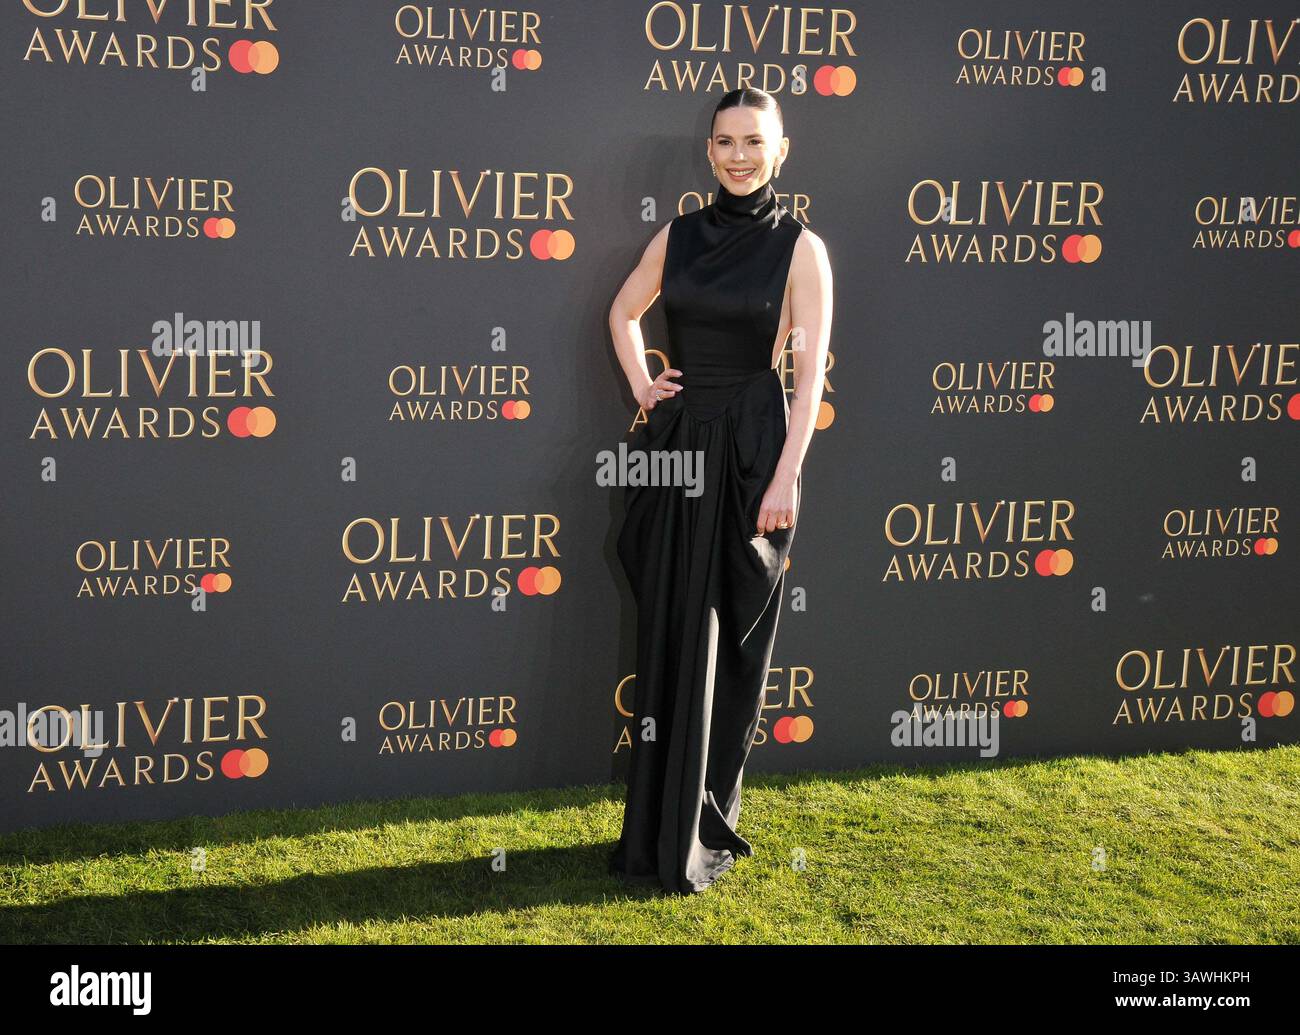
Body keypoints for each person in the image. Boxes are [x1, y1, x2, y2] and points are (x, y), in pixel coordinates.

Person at [606, 87, 834, 894]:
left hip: (748, 451)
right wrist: (643, 384)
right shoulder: (678, 235)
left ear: (781, 150)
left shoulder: (802, 250)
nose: (739, 154)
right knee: (670, 626)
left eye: (754, 141)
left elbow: (807, 384)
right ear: (709, 151)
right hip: (677, 452)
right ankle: (653, 830)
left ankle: (699, 820)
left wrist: (786, 477)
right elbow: (624, 312)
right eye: (726, 141)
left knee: (724, 636)